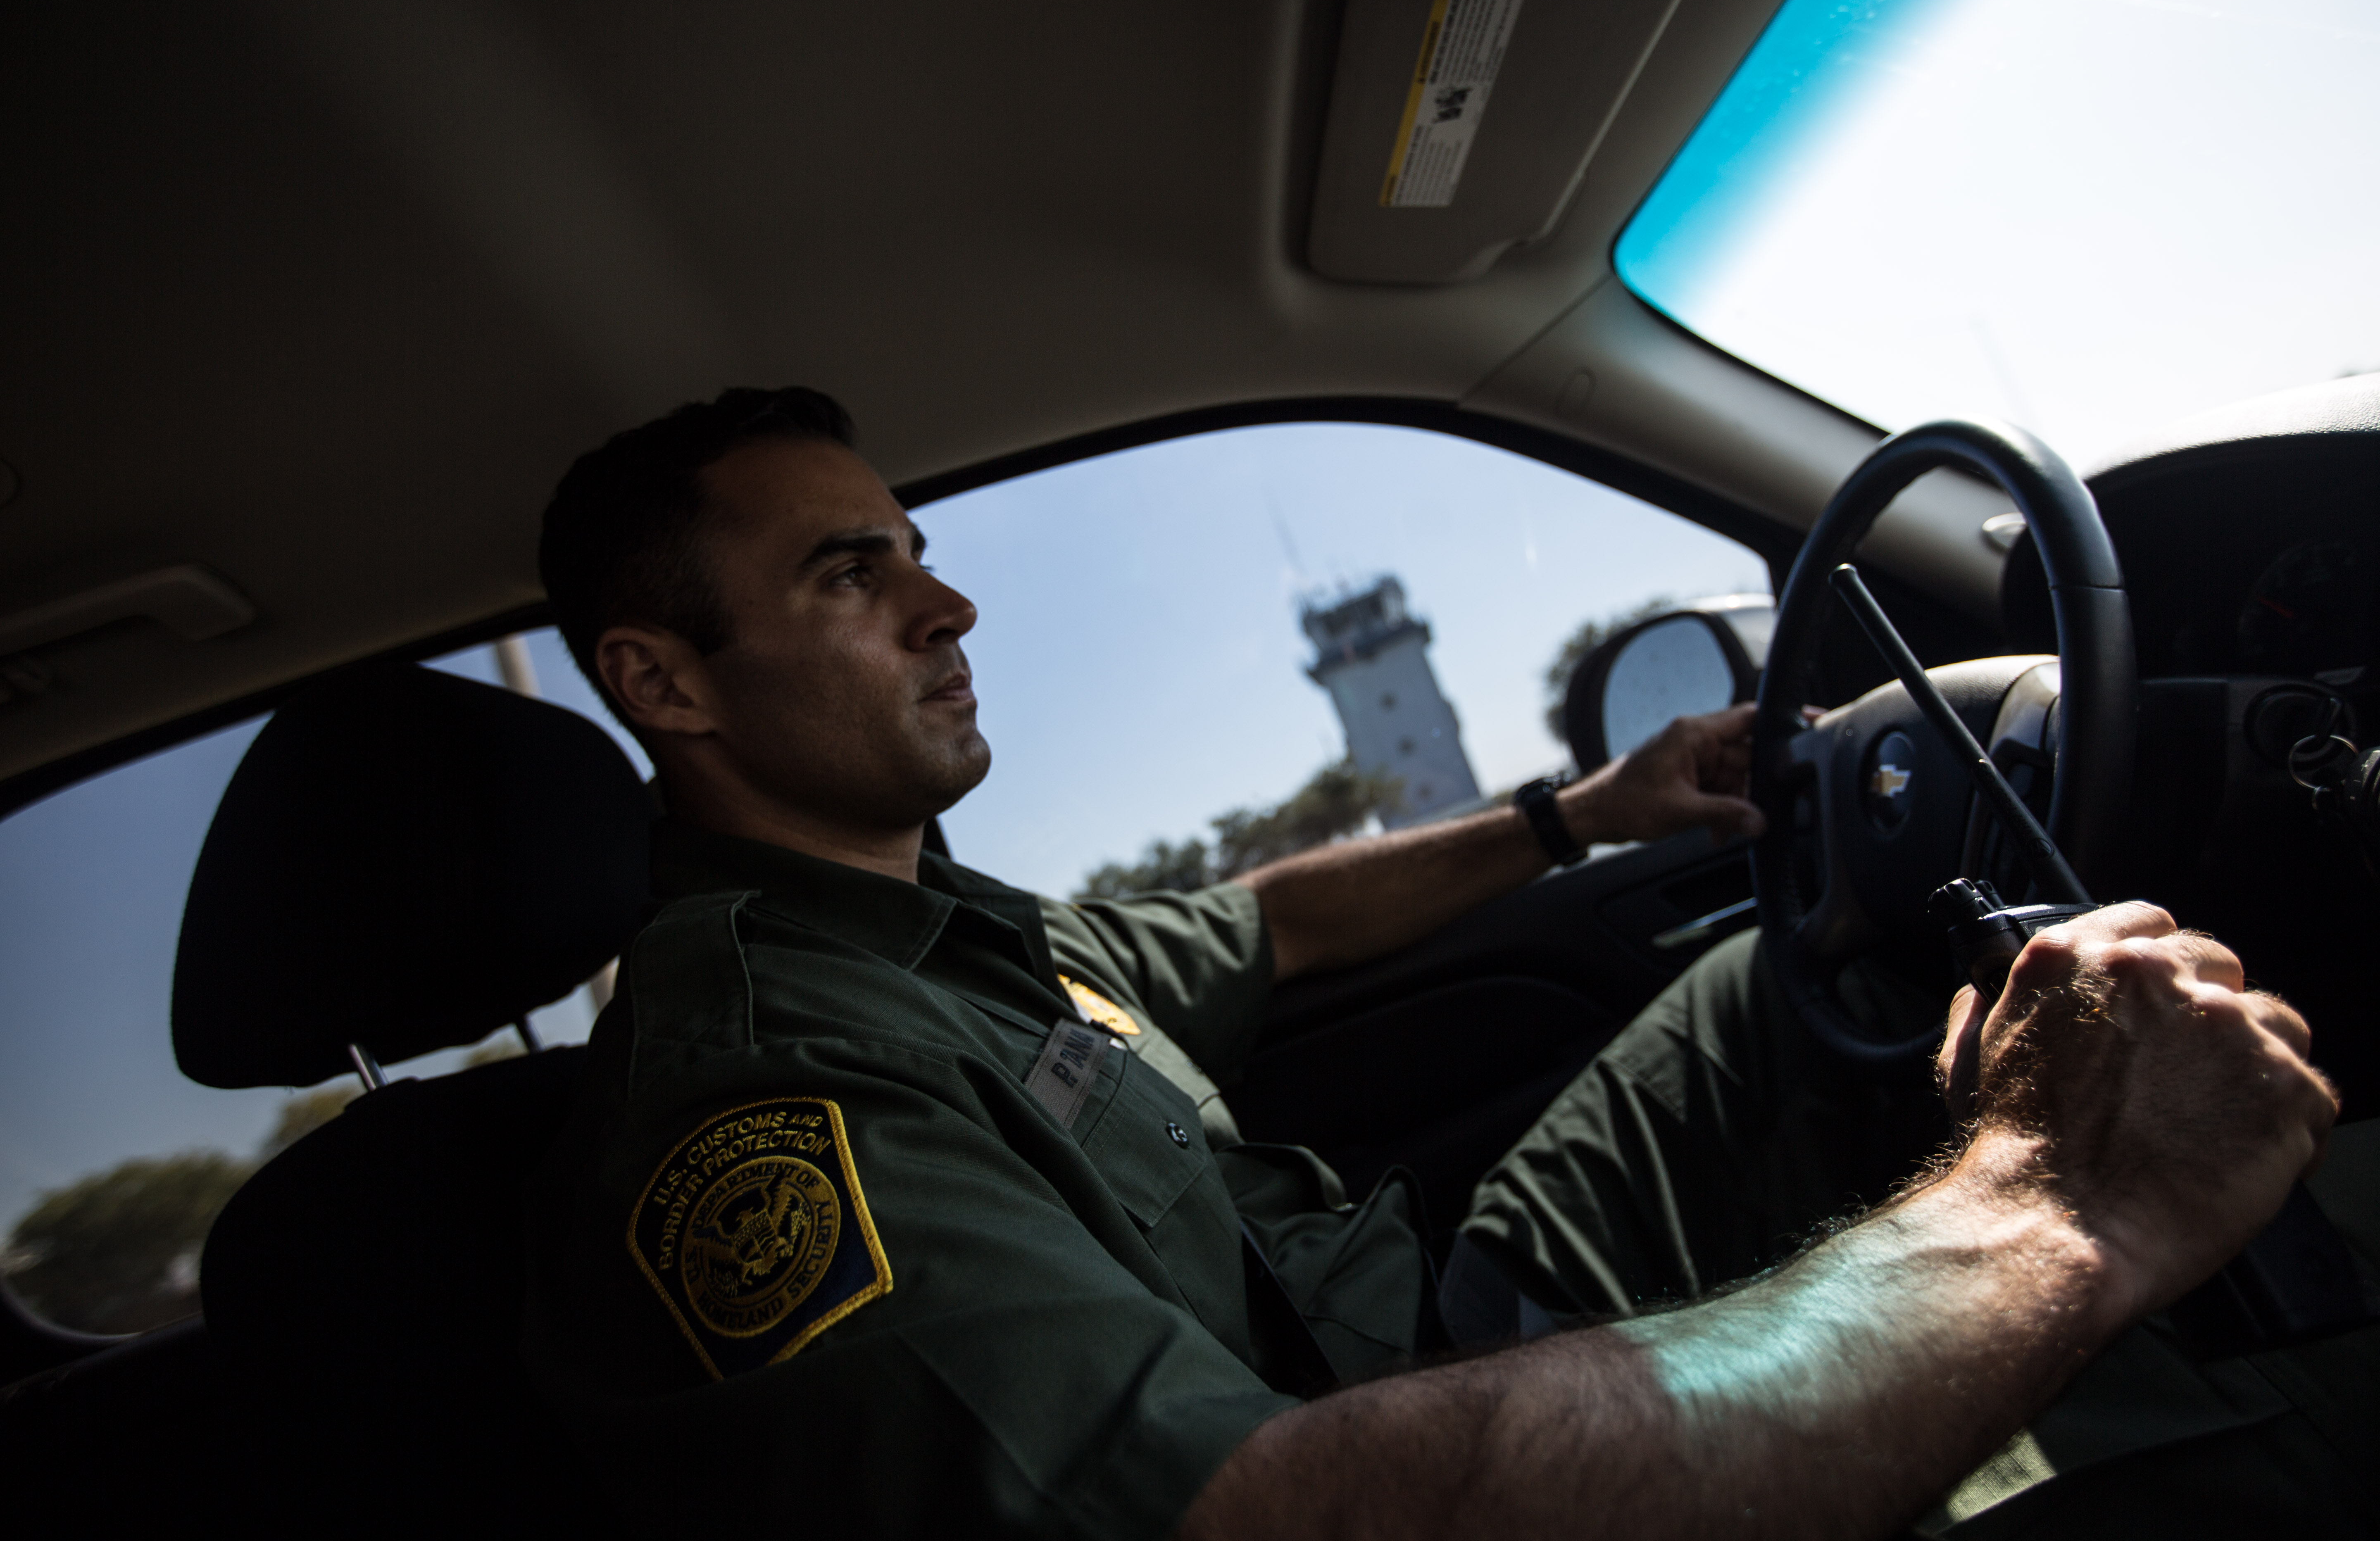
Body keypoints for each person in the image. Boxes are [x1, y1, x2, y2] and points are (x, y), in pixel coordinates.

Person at [521, 386, 2360, 1538]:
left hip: (1432, 1314)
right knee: (2192, 1414)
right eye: (852, 575)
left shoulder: (961, 933)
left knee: (1770, 984)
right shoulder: (768, 1082)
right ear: (665, 683)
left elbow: (1278, 920)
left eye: (916, 550)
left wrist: (1590, 813)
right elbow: (1257, 1514)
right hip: (1370, 1454)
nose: (950, 601)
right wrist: (2048, 1203)